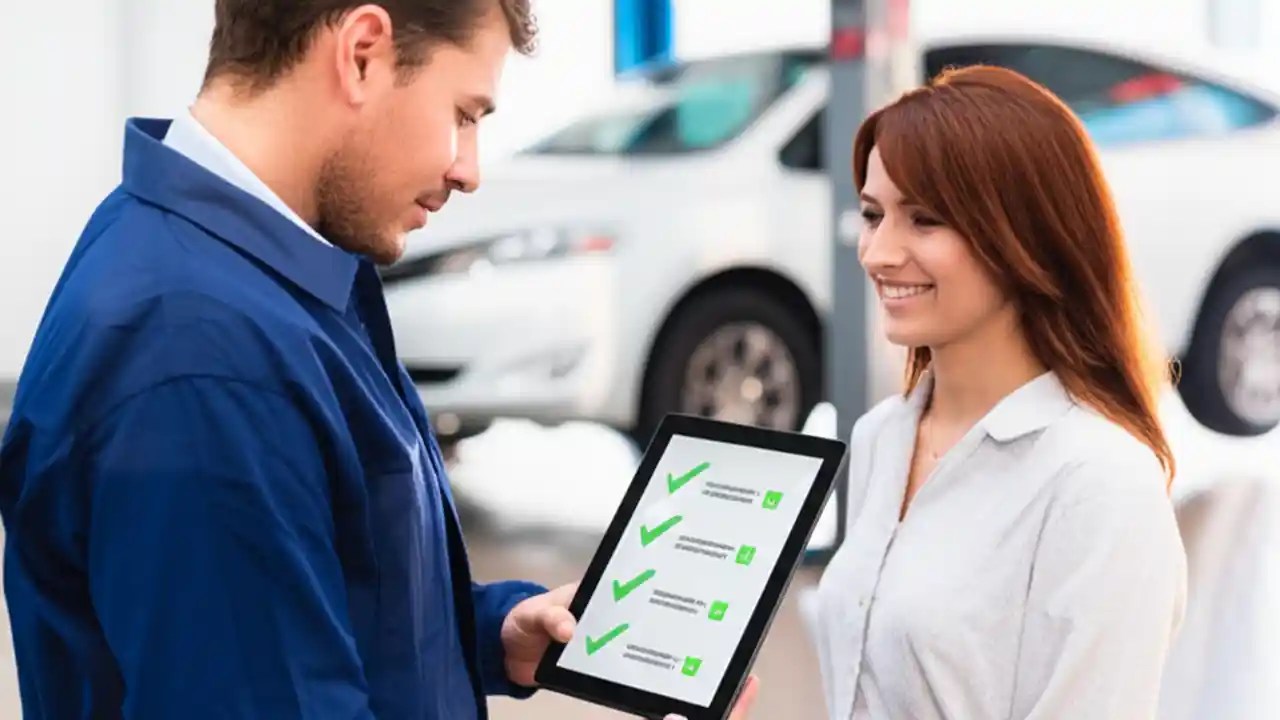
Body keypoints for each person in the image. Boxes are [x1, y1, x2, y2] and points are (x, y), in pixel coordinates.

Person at [0, 2, 592, 718]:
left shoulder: (255, 268)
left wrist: (488, 634)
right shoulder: (202, 359)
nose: (467, 169)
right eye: (464, 115)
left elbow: (317, 597)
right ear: (363, 51)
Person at [811, 65, 1188, 719]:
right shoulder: (882, 436)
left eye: (925, 219)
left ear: (1027, 237)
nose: (877, 253)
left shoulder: (1097, 484)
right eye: (873, 215)